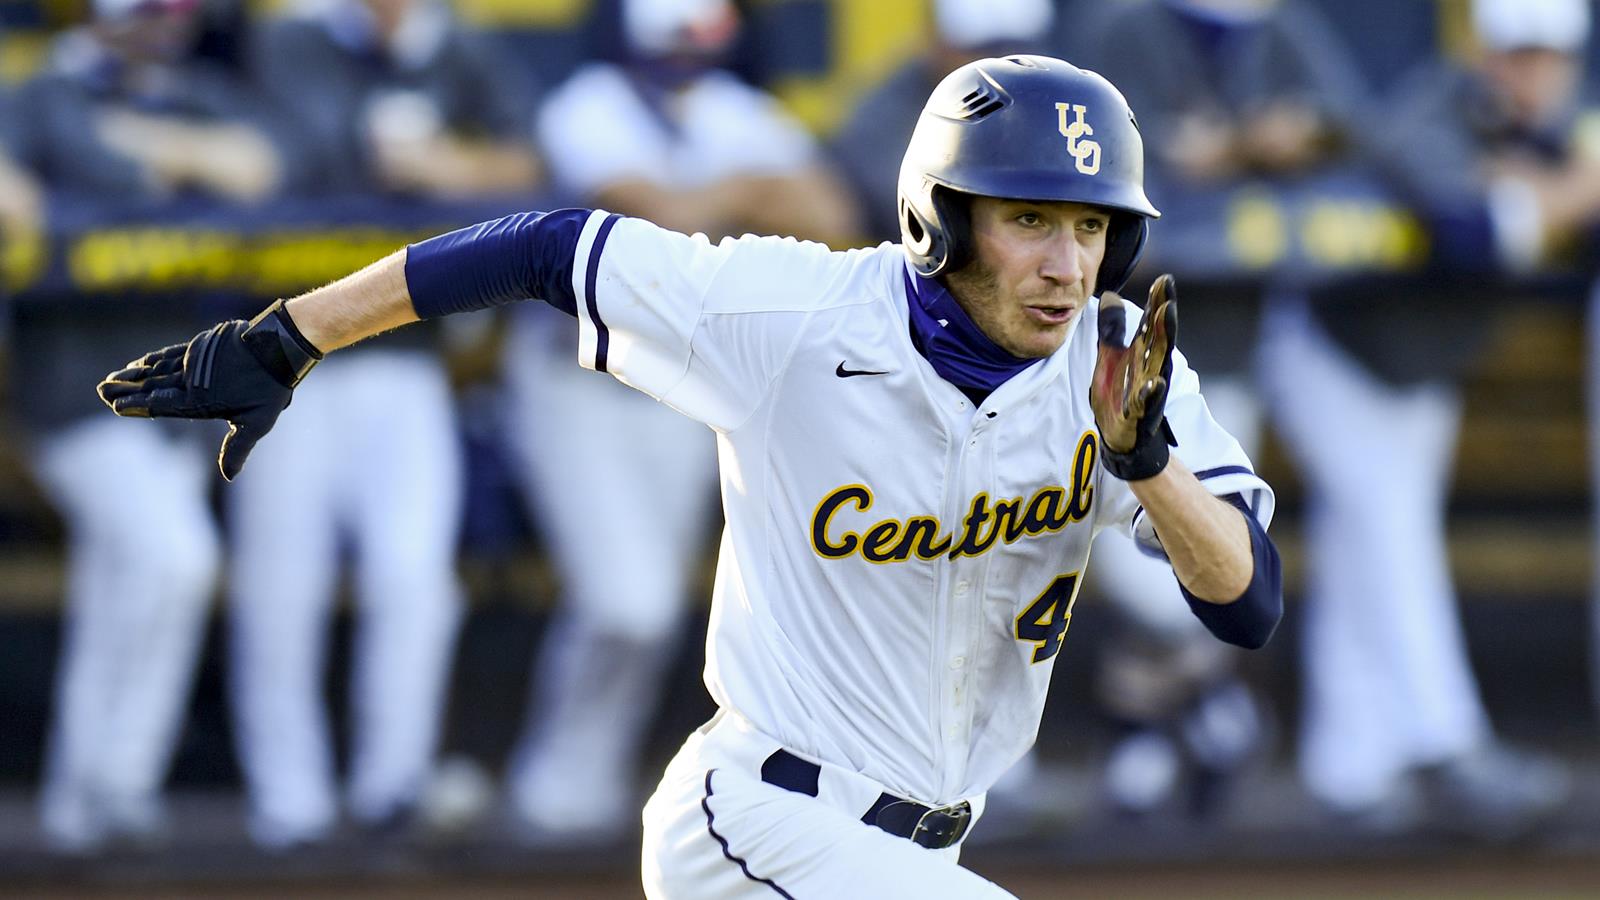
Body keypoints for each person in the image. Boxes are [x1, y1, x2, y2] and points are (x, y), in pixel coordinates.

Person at [97, 55, 1281, 895]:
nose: (1065, 262)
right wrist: (288, 338)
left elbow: (1247, 602)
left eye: (1089, 227)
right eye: (1030, 219)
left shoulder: (1121, 371)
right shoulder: (794, 313)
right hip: (760, 822)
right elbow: (541, 247)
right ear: (942, 219)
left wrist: (1149, 465)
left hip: (918, 852)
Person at [501, 0, 858, 843]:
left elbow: (835, 220)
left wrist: (723, 194)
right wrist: (747, 195)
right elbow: (645, 221)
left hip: (681, 387)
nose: (683, 54)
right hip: (574, 384)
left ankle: (576, 796)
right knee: (627, 602)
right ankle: (551, 786)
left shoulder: (740, 112)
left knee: (655, 609)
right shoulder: (586, 105)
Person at [1260, 0, 1590, 837]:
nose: (1531, 73)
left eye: (1547, 56)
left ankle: (1349, 767)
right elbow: (1472, 232)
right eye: (1517, 54)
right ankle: (1447, 742)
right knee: (1388, 534)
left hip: (1419, 369)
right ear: (1482, 49)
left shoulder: (1564, 127)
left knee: (1363, 540)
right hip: (1337, 351)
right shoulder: (1430, 107)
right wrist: (1566, 196)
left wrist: (1550, 190)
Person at [223, 0, 544, 849]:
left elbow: (534, 163)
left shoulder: (458, 46)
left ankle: (390, 790)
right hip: (282, 353)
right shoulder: (292, 37)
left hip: (404, 361)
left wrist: (451, 167)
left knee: (414, 582)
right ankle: (286, 805)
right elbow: (280, 158)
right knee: (279, 588)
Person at [10, 0, 303, 853]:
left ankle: (83, 805)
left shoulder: (190, 92)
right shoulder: (42, 91)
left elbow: (256, 169)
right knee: (175, 559)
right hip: (72, 390)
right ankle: (118, 784)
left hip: (176, 394)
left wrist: (140, 145)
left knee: (126, 585)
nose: (169, 17)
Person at [1076, 0, 1368, 817]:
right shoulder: (1120, 35)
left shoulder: (1282, 31)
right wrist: (1184, 163)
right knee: (1127, 567)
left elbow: (1357, 130)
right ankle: (1209, 707)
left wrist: (1292, 138)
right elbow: (1087, 189)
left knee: (1210, 542)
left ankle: (1140, 717)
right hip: (1111, 343)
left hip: (1231, 339)